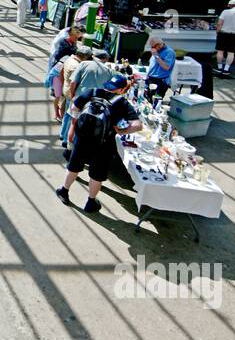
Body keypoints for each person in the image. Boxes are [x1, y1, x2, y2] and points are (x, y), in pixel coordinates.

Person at [57, 73, 140, 214]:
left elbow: (74, 108)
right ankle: (91, 202)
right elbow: (138, 126)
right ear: (121, 89)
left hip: (81, 138)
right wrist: (122, 131)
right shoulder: (121, 103)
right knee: (97, 174)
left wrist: (73, 127)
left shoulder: (92, 92)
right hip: (103, 144)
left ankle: (64, 192)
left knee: (74, 166)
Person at [145, 35, 176, 100]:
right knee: (146, 100)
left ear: (159, 45)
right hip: (150, 79)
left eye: (153, 47)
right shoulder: (156, 51)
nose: (152, 49)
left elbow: (166, 67)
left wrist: (156, 56)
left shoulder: (169, 52)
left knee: (155, 102)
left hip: (160, 81)